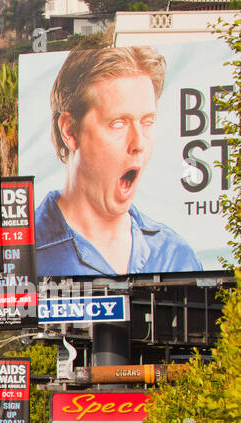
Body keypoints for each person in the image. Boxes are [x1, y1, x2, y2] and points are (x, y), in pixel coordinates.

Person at [34, 46, 201, 277]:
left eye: (147, 121)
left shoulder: (175, 255)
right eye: (118, 123)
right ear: (70, 131)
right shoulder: (25, 252)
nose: (139, 143)